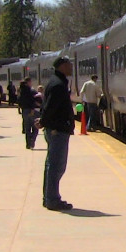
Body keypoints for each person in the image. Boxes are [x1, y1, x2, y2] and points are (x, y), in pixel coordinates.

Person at [38, 57, 75, 211]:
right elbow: (50, 107)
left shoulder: (56, 82)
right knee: (56, 166)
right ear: (63, 66)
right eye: (69, 65)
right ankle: (52, 199)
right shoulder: (58, 85)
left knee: (52, 165)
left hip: (56, 129)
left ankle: (49, 198)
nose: (72, 68)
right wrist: (43, 121)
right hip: (57, 130)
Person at [17, 77, 39, 150]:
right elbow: (33, 100)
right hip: (32, 111)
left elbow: (19, 102)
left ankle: (28, 144)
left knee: (27, 128)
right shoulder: (31, 91)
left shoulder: (21, 93)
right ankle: (32, 140)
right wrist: (33, 109)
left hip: (24, 111)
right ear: (28, 83)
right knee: (35, 128)